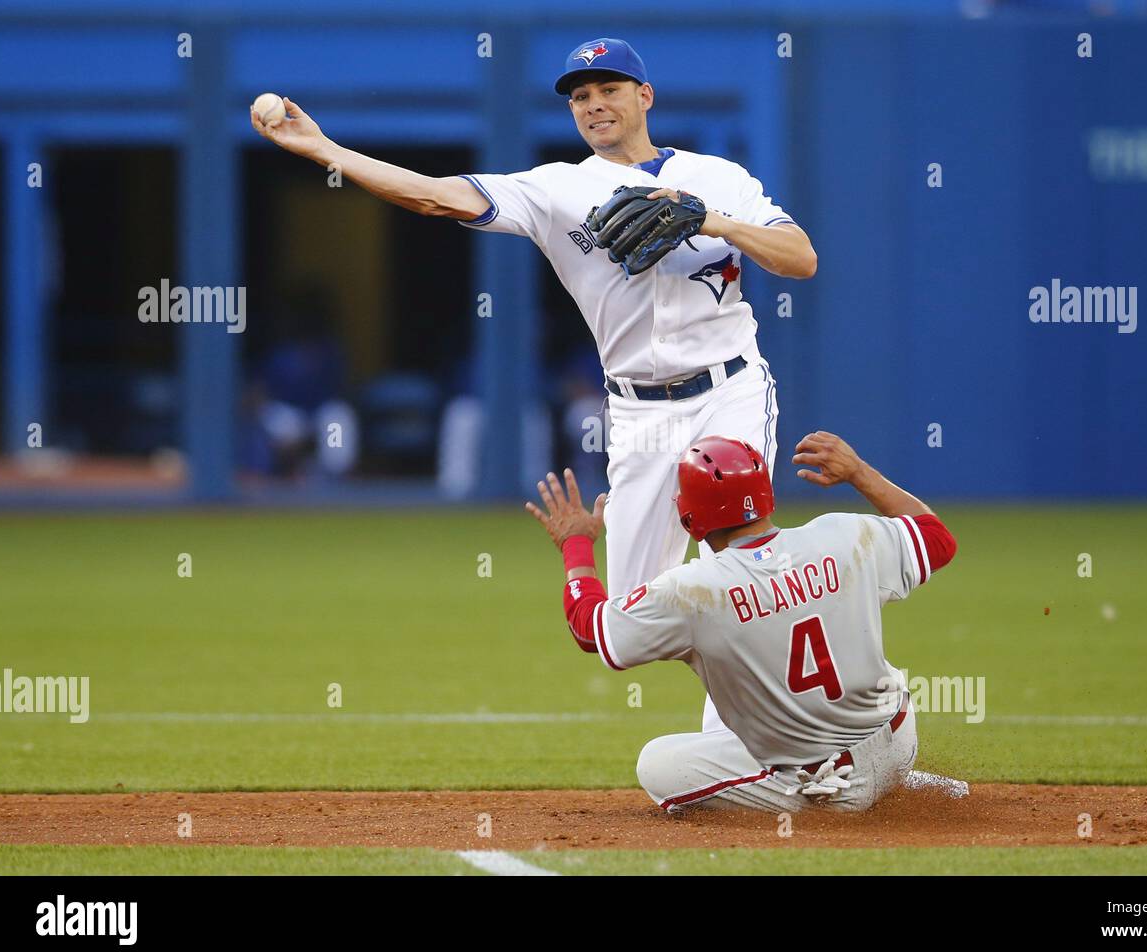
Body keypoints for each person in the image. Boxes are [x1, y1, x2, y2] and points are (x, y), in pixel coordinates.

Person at [250, 38, 817, 734]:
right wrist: (325, 151)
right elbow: (432, 197)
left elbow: (801, 258)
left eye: (608, 88)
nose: (593, 104)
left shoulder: (717, 176)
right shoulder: (558, 190)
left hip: (730, 388)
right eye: (579, 96)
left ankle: (769, 737)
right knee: (632, 626)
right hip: (640, 414)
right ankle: (760, 715)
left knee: (741, 568)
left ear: (645, 97)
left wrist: (707, 217)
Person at [524, 431, 957, 812]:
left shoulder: (694, 590)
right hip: (899, 739)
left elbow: (590, 629)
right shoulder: (843, 535)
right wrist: (859, 471)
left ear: (691, 516)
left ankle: (835, 793)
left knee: (656, 764)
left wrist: (576, 542)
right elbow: (938, 539)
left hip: (828, 781)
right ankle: (900, 780)